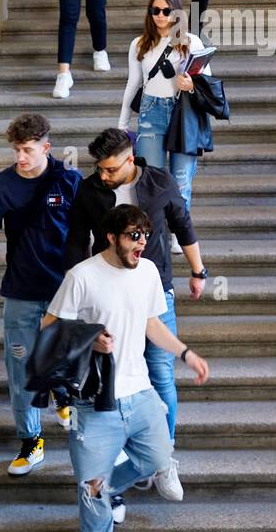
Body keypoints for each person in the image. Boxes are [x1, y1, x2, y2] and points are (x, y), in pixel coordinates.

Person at [41, 204, 210, 532]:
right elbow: (48, 326)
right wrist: (88, 340)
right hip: (95, 398)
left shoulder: (148, 271)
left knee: (157, 459)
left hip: (140, 391)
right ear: (111, 238)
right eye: (134, 236)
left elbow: (151, 323)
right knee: (91, 482)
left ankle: (103, 488)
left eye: (146, 236)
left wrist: (185, 353)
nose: (142, 243)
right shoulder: (82, 276)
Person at [65, 127, 211, 482]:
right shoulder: (89, 190)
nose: (103, 175)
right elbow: (75, 241)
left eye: (111, 169)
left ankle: (164, 456)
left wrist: (198, 270)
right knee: (109, 372)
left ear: (130, 159)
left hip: (154, 289)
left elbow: (183, 225)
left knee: (160, 371)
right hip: (106, 295)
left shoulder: (159, 183)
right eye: (99, 168)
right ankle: (116, 457)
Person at [0, 113, 82, 476]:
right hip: (20, 289)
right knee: (20, 366)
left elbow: (91, 231)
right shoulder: (0, 185)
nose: (21, 156)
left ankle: (63, 395)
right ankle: (31, 441)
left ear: (46, 148)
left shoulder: (69, 181)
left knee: (62, 358)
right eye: (17, 149)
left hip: (63, 290)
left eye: (28, 149)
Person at [118, 0, 209, 216]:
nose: (160, 15)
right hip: (151, 111)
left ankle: (179, 234)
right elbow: (133, 83)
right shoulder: (139, 44)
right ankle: (153, 233)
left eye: (166, 10)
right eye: (155, 10)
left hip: (183, 113)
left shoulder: (192, 42)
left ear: (176, 13)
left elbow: (206, 79)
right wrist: (122, 123)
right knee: (150, 179)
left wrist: (191, 85)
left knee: (181, 180)